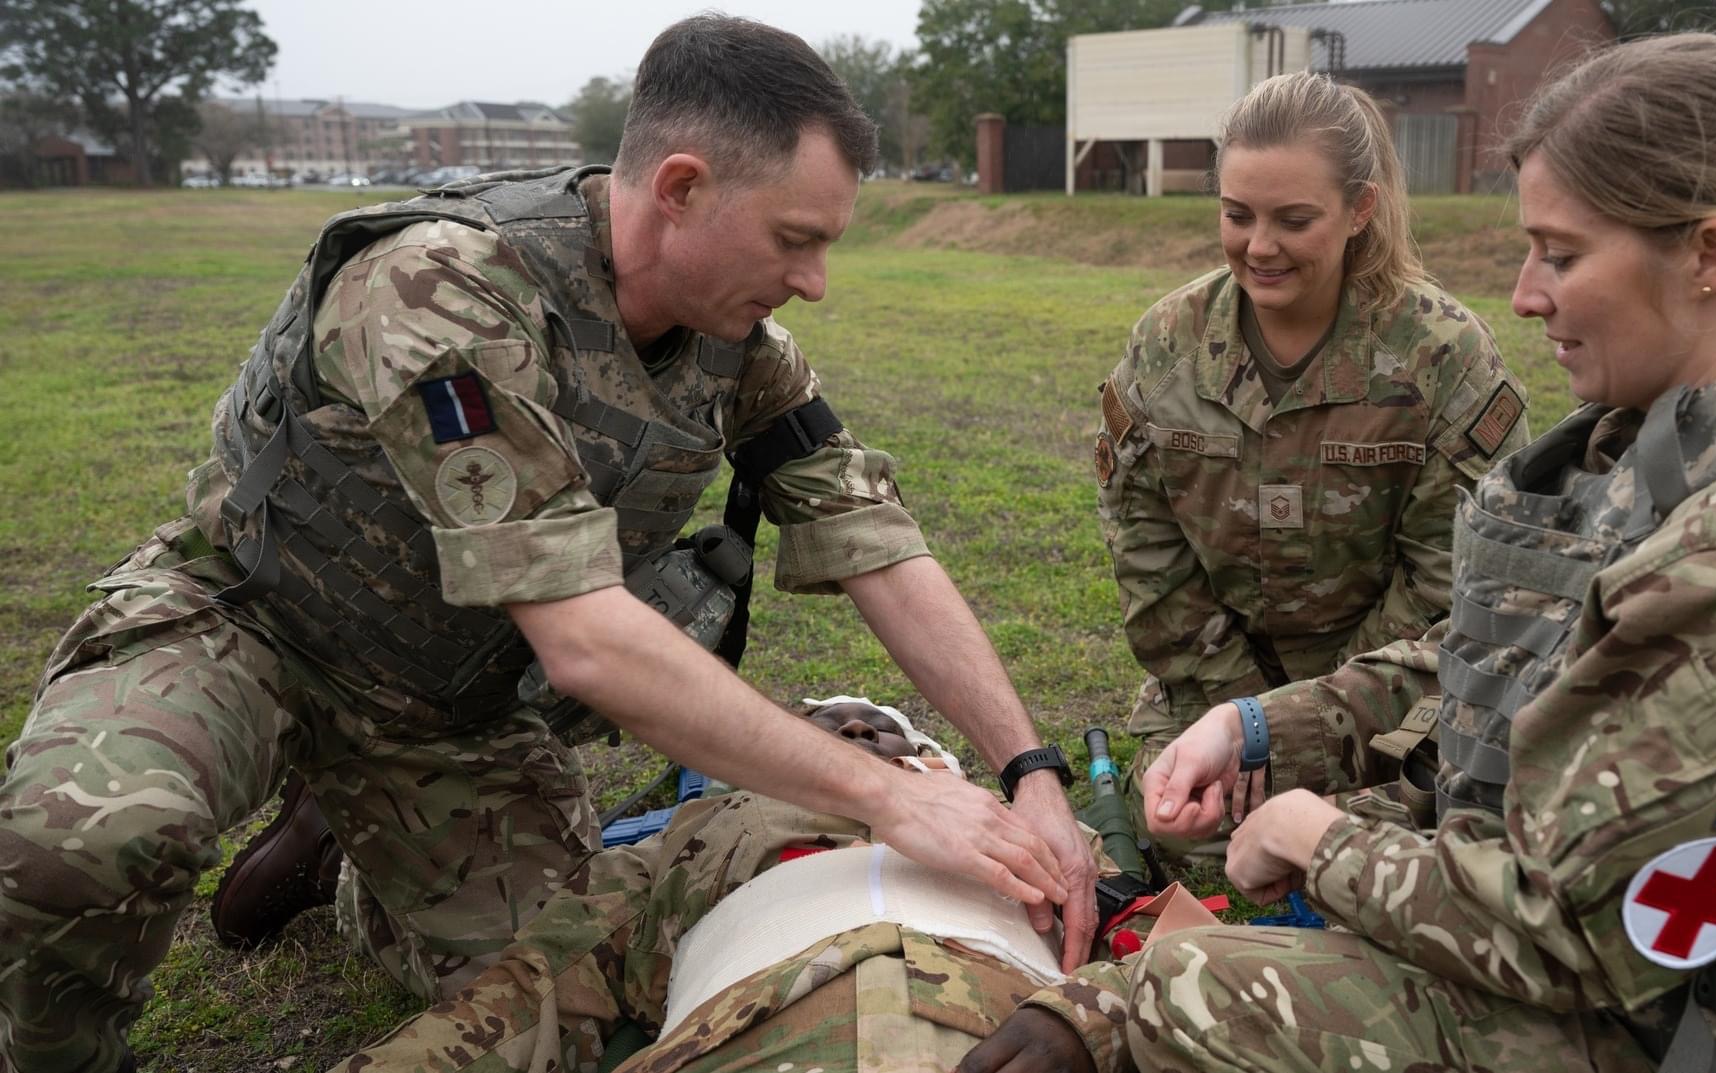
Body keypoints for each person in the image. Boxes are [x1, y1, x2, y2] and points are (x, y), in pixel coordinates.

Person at [0, 18, 1096, 1073]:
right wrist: (893, 795)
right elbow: (585, 643)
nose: (813, 280)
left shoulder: (744, 353)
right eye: (794, 238)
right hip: (251, 623)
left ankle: (342, 850)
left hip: (444, 708)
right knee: (77, 841)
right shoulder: (443, 282)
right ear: (680, 188)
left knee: (551, 980)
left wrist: (1029, 769)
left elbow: (875, 543)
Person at [1128, 33, 1716, 1073]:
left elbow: (1587, 930)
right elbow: (1519, 649)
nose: (1525, 295)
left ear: (1712, 255)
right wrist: (1264, 725)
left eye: (1562, 254)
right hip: (1652, 996)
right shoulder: (1682, 438)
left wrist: (1317, 837)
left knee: (1193, 987)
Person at [1094, 72, 1529, 853]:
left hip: (1390, 696)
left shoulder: (1441, 355)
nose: (1259, 246)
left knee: (1387, 833)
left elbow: (1453, 582)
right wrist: (1238, 715)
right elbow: (1146, 546)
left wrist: (1304, 729)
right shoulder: (1167, 343)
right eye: (1237, 214)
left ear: (1360, 209)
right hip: (1213, 682)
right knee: (1183, 823)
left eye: (1294, 220)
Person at [330, 699, 1143, 1073]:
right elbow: (534, 990)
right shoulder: (696, 836)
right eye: (824, 726)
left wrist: (1089, 1016)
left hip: (1007, 1041)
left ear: (940, 765)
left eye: (888, 731)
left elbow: (1161, 956)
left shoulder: (1047, 837)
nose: (859, 728)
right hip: (747, 1032)